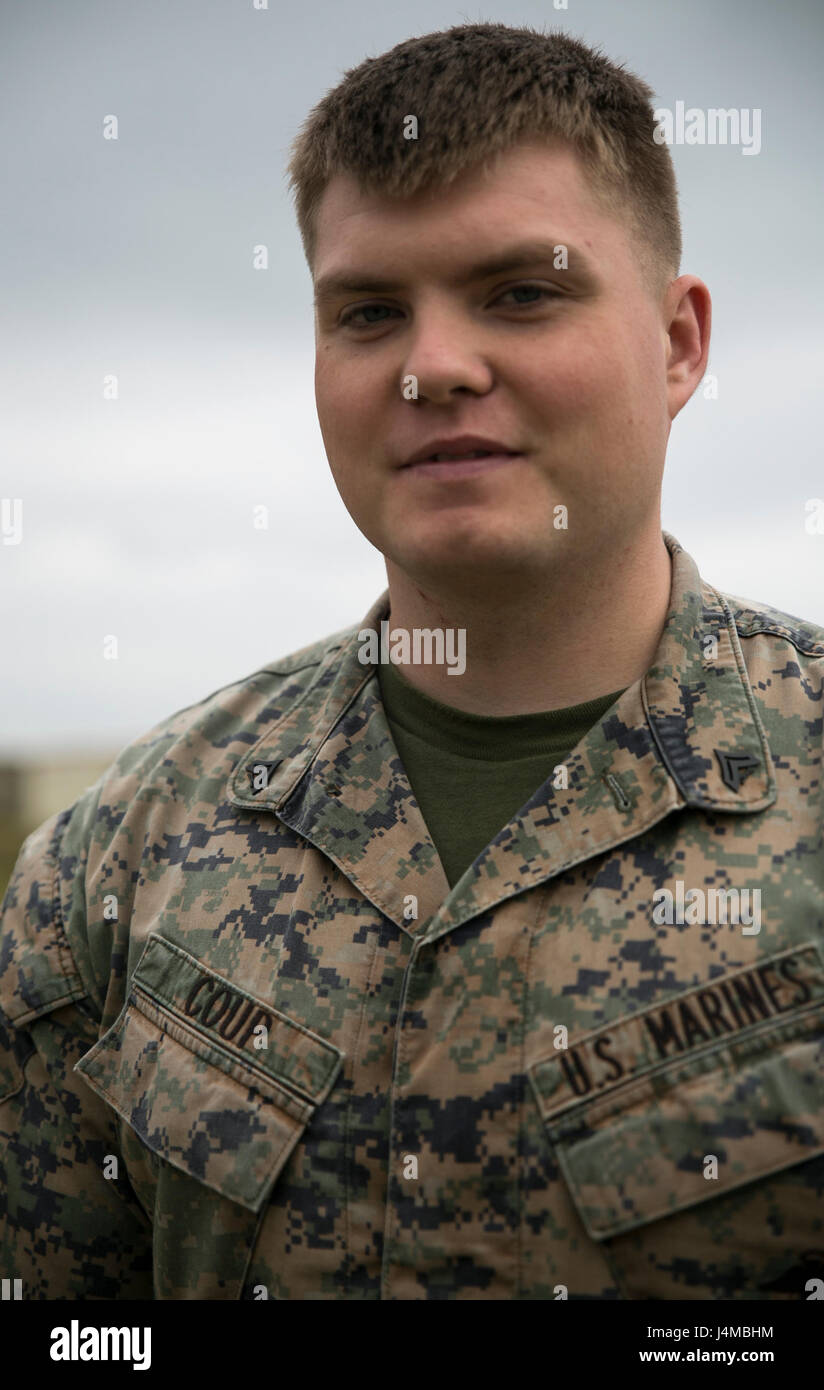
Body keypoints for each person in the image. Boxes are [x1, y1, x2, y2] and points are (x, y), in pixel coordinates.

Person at [2, 22, 823, 1302]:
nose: (432, 367)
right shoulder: (121, 863)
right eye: (370, 311)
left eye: (521, 292)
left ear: (677, 344)